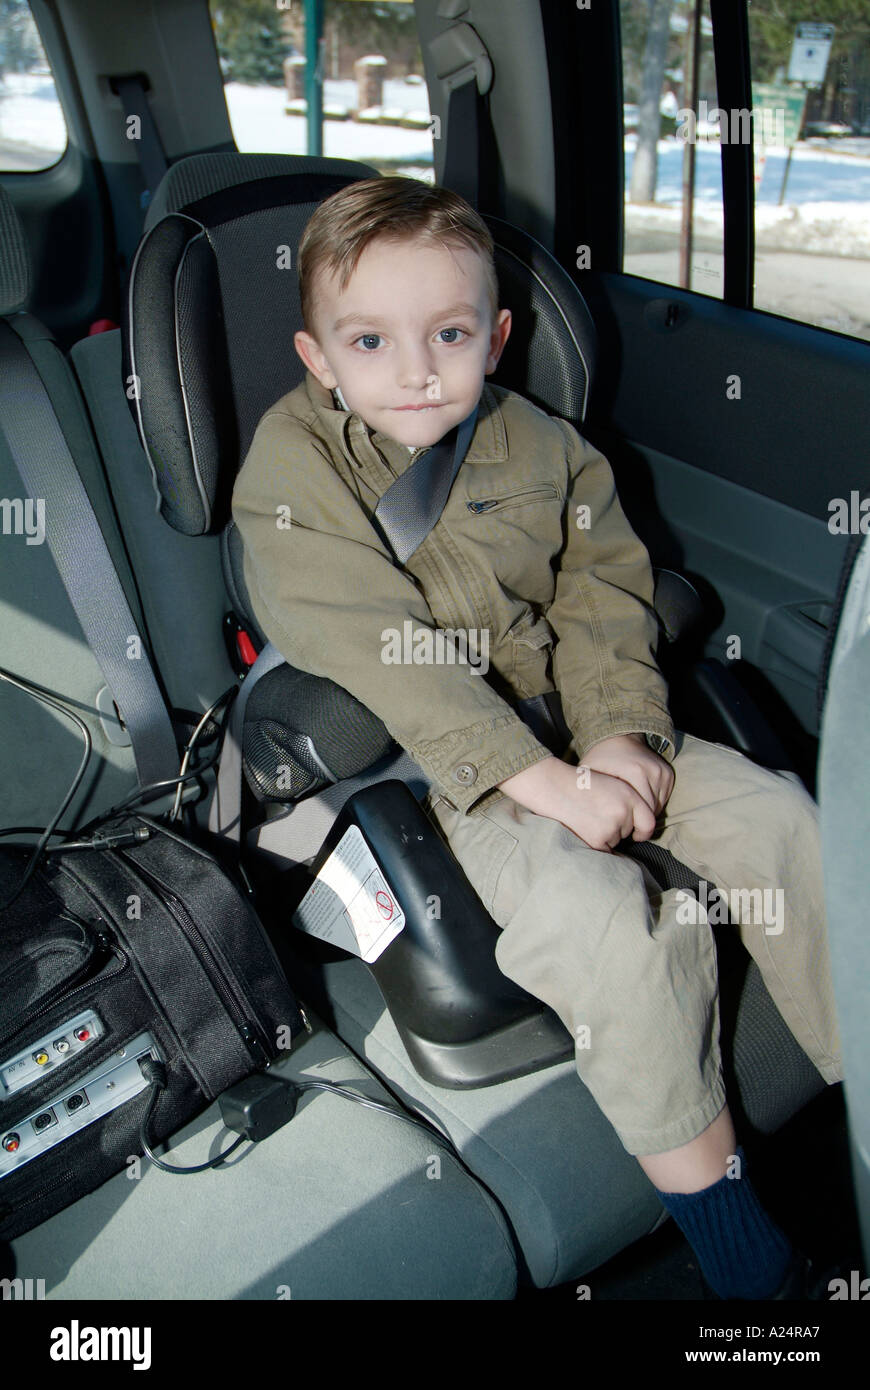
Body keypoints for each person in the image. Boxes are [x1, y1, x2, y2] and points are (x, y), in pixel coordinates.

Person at [232, 176, 843, 1299]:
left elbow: (604, 593)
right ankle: (740, 1248)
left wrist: (622, 738)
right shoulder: (291, 473)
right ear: (318, 358)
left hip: (575, 719)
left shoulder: (543, 445)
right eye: (370, 341)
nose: (416, 370)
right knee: (613, 922)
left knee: (787, 825)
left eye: (450, 335)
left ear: (498, 338)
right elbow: (371, 645)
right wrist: (547, 783)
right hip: (441, 769)